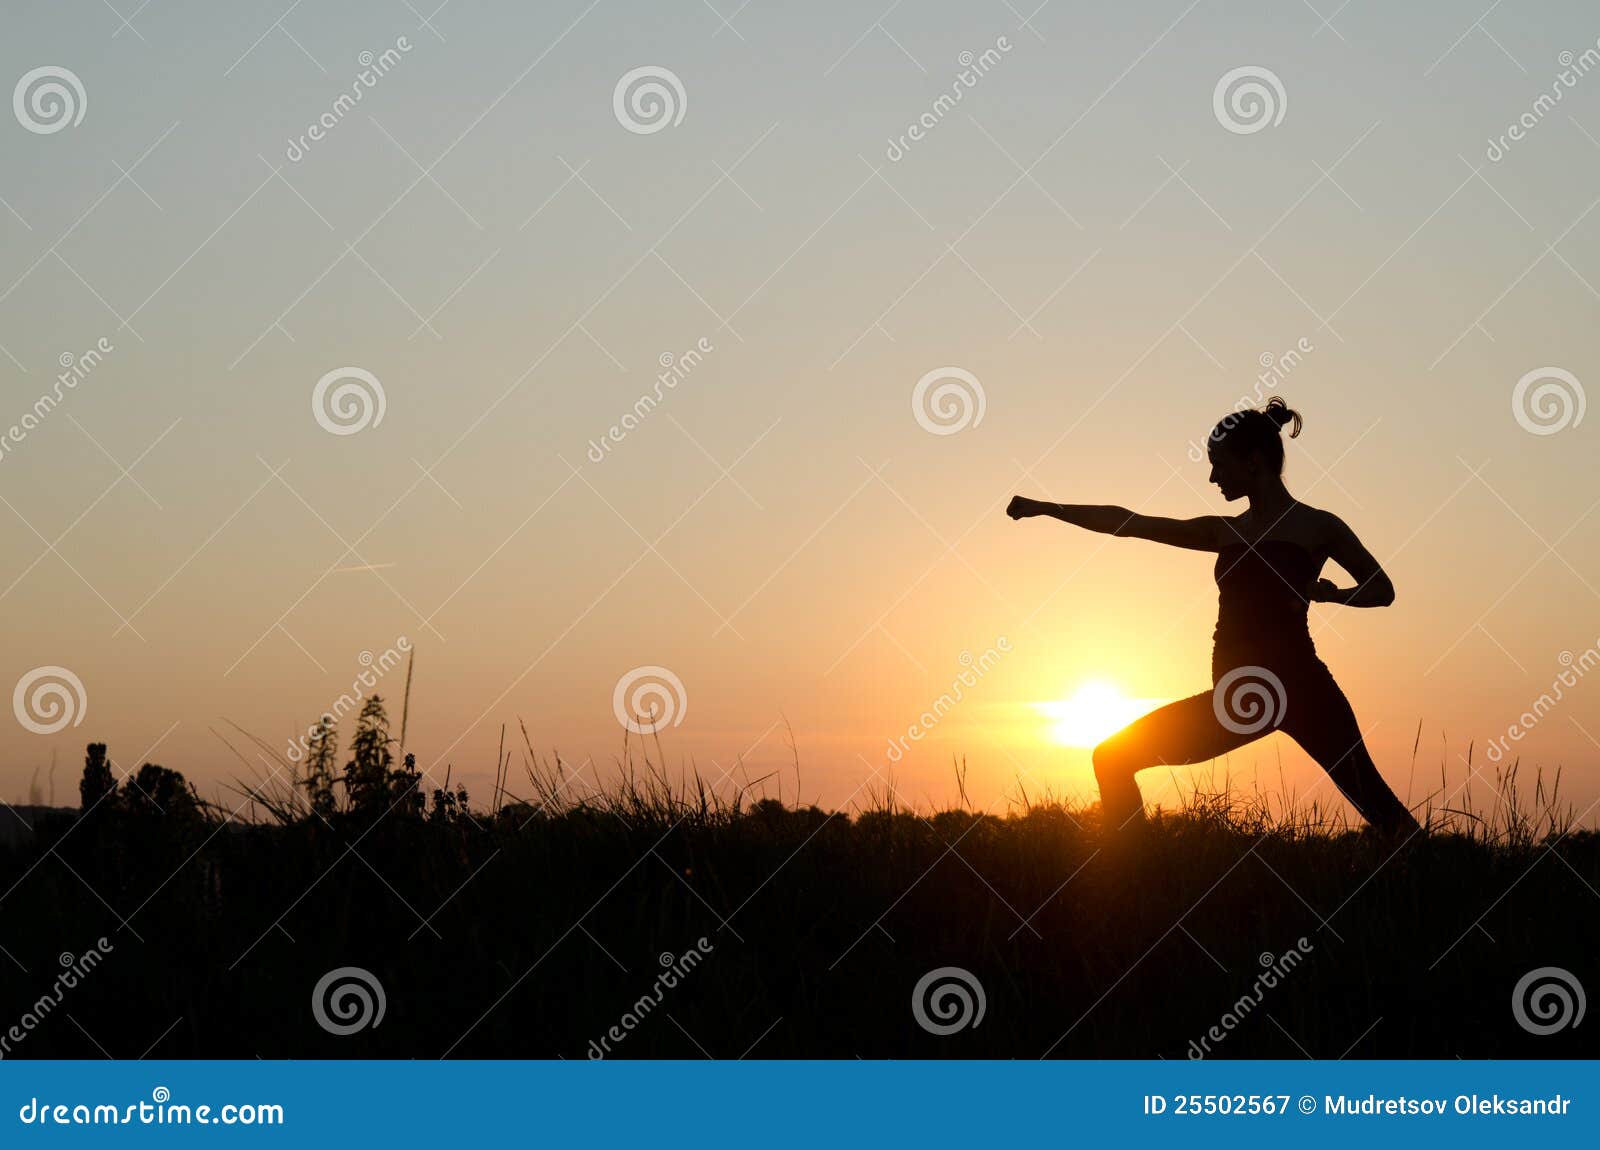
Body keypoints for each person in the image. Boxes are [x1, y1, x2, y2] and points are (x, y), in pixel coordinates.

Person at [1006, 397, 1419, 834]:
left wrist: (1336, 596)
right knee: (1112, 757)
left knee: (1381, 809)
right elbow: (1131, 522)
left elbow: (1381, 589)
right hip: (1238, 698)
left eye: (1219, 464)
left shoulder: (1318, 526)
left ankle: (1443, 879)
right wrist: (1050, 509)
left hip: (1300, 687)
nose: (1212, 476)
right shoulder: (1225, 531)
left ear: (1254, 461)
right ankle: (1135, 878)